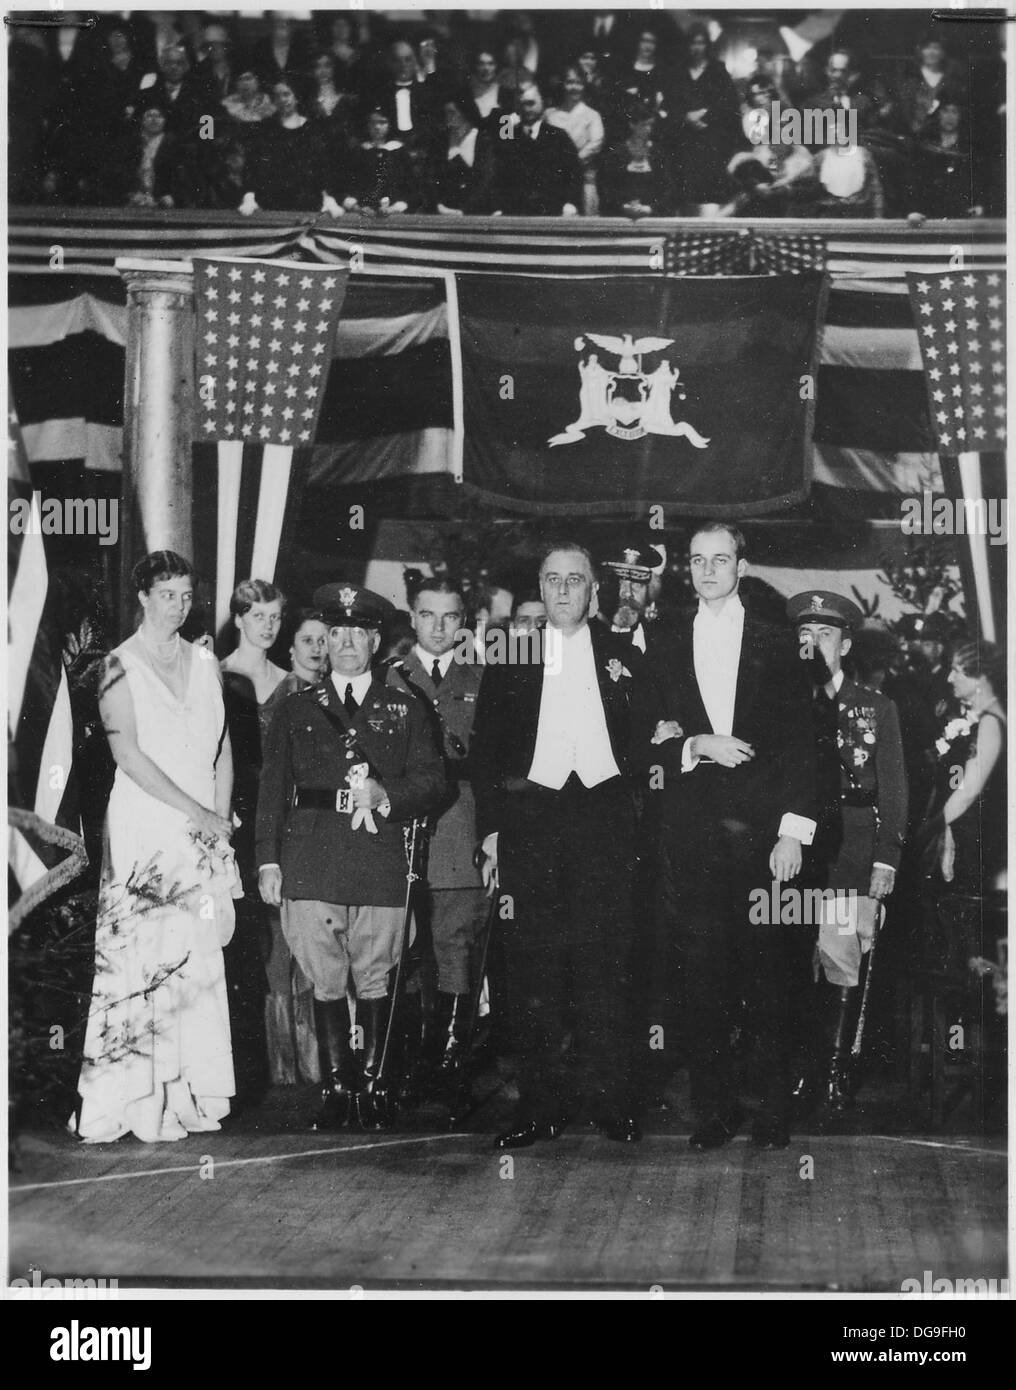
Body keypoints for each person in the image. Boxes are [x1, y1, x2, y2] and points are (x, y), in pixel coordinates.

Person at [630, 522, 818, 1150]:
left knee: (769, 977)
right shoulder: (659, 642)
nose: (708, 570)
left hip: (765, 840)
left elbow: (803, 749)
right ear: (687, 569)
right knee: (703, 979)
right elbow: (642, 743)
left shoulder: (777, 642)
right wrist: (692, 744)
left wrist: (792, 833)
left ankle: (770, 1113)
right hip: (692, 841)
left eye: (720, 559)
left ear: (741, 565)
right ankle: (714, 1111)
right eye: (697, 560)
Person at [471, 541, 642, 1148]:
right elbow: (486, 752)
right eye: (553, 580)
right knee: (533, 973)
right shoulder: (510, 653)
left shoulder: (625, 655)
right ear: (540, 590)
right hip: (532, 825)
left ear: (594, 589)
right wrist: (492, 831)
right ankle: (538, 1107)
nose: (564, 590)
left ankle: (610, 1101)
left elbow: (648, 745)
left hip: (605, 826)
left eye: (576, 580)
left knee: (606, 969)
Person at [256, 584, 445, 1130]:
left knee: (377, 974)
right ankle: (339, 1088)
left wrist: (389, 795)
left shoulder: (405, 709)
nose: (343, 643)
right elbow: (272, 789)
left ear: (375, 640)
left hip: (381, 856)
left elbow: (434, 782)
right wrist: (268, 860)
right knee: (325, 975)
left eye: (356, 633)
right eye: (334, 633)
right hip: (312, 856)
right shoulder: (294, 709)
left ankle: (376, 1085)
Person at [72, 551, 238, 1144]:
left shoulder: (205, 662)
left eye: (186, 594)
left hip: (200, 830)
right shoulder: (116, 666)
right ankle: (139, 1101)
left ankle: (187, 1094)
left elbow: (222, 751)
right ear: (142, 597)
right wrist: (195, 812)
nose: (179, 604)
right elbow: (129, 757)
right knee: (147, 954)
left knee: (196, 951)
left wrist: (218, 819)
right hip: (146, 824)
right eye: (167, 593)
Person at [787, 591, 907, 1114]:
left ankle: (833, 1070)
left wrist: (885, 860)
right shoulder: (778, 704)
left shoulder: (875, 707)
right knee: (793, 960)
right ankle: (798, 1068)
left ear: (846, 644)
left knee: (840, 956)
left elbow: (895, 789)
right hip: (793, 850)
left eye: (826, 636)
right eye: (804, 636)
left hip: (850, 850)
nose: (813, 645)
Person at [386, 578, 486, 1106]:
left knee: (455, 943)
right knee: (399, 945)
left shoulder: (482, 679)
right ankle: (401, 1064)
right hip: (399, 827)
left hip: (458, 825)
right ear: (413, 618)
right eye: (428, 616)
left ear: (463, 620)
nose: (440, 627)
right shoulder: (389, 679)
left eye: (450, 617)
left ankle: (449, 1064)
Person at [219, 579, 288, 1104]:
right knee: (241, 940)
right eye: (257, 616)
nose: (267, 626)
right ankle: (244, 1069)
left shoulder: (292, 683)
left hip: (284, 818)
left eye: (274, 617)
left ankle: (298, 1060)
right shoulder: (215, 675)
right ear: (238, 618)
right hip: (235, 818)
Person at [917, 641, 1006, 967]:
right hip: (961, 834)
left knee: (965, 939)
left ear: (980, 677)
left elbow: (970, 789)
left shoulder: (992, 722)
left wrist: (933, 827)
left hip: (977, 842)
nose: (950, 677)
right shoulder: (976, 718)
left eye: (957, 670)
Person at [666, 24, 743, 214]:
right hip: (684, 144)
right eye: (693, 43)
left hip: (712, 143)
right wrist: (686, 117)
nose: (697, 47)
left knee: (710, 199)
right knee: (685, 197)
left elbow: (731, 106)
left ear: (707, 45)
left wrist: (706, 115)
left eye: (701, 43)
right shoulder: (677, 71)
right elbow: (669, 106)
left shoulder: (718, 70)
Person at [241, 80, 342, 216]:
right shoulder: (265, 128)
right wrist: (249, 197)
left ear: (296, 97)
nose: (282, 100)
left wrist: (328, 198)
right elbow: (253, 166)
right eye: (277, 96)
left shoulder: (312, 130)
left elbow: (322, 168)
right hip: (271, 203)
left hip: (307, 203)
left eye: (286, 94)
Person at [496, 83, 581, 216]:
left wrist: (570, 203)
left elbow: (574, 173)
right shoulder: (508, 137)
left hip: (553, 212)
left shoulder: (559, 137)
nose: (526, 109)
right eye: (522, 104)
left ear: (543, 103)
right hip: (515, 212)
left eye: (531, 103)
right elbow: (499, 175)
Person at [426, 90, 499, 215]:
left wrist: (464, 210)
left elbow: (486, 180)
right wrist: (439, 205)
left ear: (465, 112)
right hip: (444, 210)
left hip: (477, 211)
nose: (448, 118)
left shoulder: (484, 141)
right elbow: (431, 177)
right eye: (446, 113)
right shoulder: (441, 142)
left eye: (452, 113)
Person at [547, 64, 606, 215]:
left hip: (584, 179)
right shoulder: (551, 116)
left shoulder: (592, 115)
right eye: (570, 82)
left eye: (578, 83)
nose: (574, 87)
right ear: (563, 85)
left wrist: (571, 163)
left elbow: (595, 144)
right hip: (556, 181)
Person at [599, 102, 674, 217]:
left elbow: (667, 188)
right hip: (620, 216)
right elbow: (607, 187)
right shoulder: (616, 154)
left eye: (651, 125)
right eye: (644, 125)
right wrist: (623, 207)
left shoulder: (658, 153)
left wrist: (649, 208)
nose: (648, 129)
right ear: (632, 125)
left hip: (652, 215)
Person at [341, 108, 419, 214]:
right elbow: (351, 185)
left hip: (395, 212)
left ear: (389, 125)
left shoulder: (399, 152)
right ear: (367, 126)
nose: (377, 127)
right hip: (363, 213)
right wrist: (357, 208)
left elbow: (409, 186)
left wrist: (394, 208)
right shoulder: (359, 152)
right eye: (373, 123)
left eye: (382, 122)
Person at [596, 543, 660, 653]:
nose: (627, 593)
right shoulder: (582, 638)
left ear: (650, 592)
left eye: (637, 584)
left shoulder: (662, 643)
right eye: (619, 583)